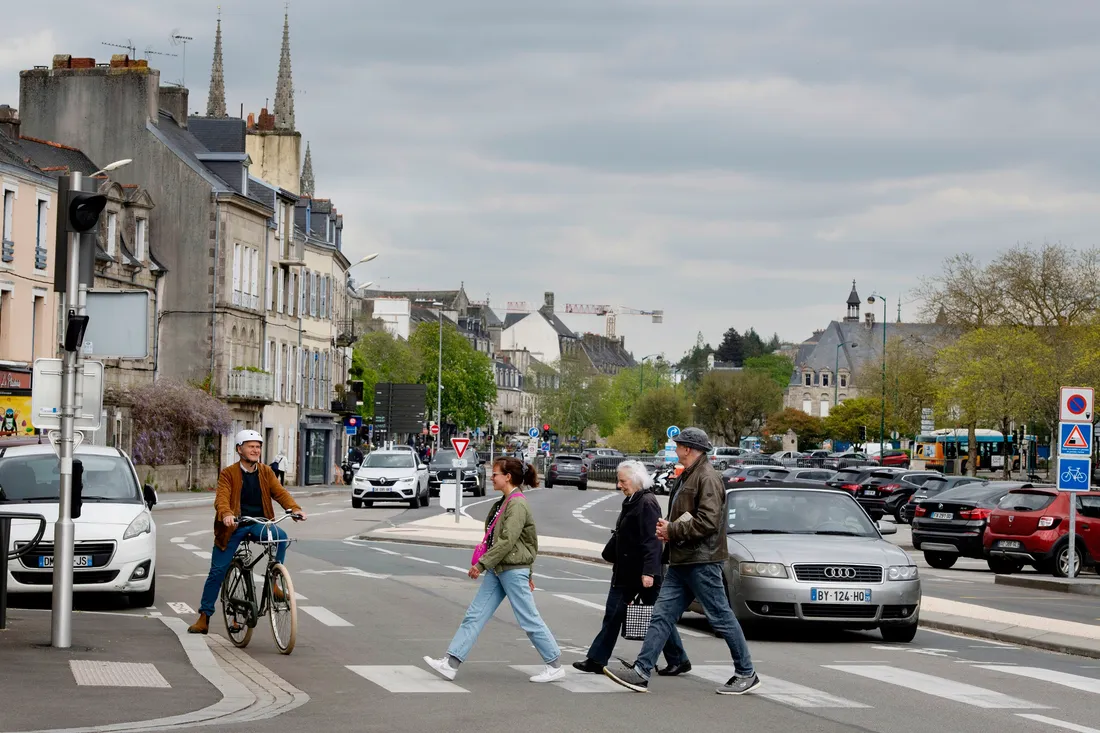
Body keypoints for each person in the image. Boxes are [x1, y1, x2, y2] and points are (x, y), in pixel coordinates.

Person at [604, 427, 760, 696]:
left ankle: (746, 672)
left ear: (688, 448)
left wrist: (671, 530)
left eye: (678, 446)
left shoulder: (706, 477)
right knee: (661, 615)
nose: (675, 450)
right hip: (683, 559)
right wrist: (671, 529)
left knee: (721, 617)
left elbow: (709, 522)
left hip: (702, 560)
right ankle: (642, 671)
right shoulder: (690, 474)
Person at [424, 456, 564, 683]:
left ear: (507, 477)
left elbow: (509, 541)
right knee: (474, 615)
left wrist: (482, 564)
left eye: (495, 474)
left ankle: (555, 665)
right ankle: (451, 663)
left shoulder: (517, 504)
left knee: (528, 619)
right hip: (500, 569)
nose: (491, 477)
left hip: (511, 569)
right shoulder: (505, 502)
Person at [572, 460, 690, 676]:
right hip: (629, 570)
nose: (619, 485)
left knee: (655, 616)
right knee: (623, 615)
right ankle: (598, 659)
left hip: (638, 572)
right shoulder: (635, 500)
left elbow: (652, 540)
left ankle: (678, 659)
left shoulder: (646, 503)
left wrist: (649, 572)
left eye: (622, 481)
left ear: (636, 480)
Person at [187, 429, 307, 635]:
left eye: (258, 446)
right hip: (233, 526)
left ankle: (275, 582)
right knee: (217, 571)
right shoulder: (228, 473)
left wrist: (294, 508)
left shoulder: (266, 472)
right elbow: (222, 498)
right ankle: (204, 617)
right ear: (239, 449)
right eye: (251, 446)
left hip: (258, 523)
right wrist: (226, 513)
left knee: (280, 537)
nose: (255, 450)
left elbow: (280, 493)